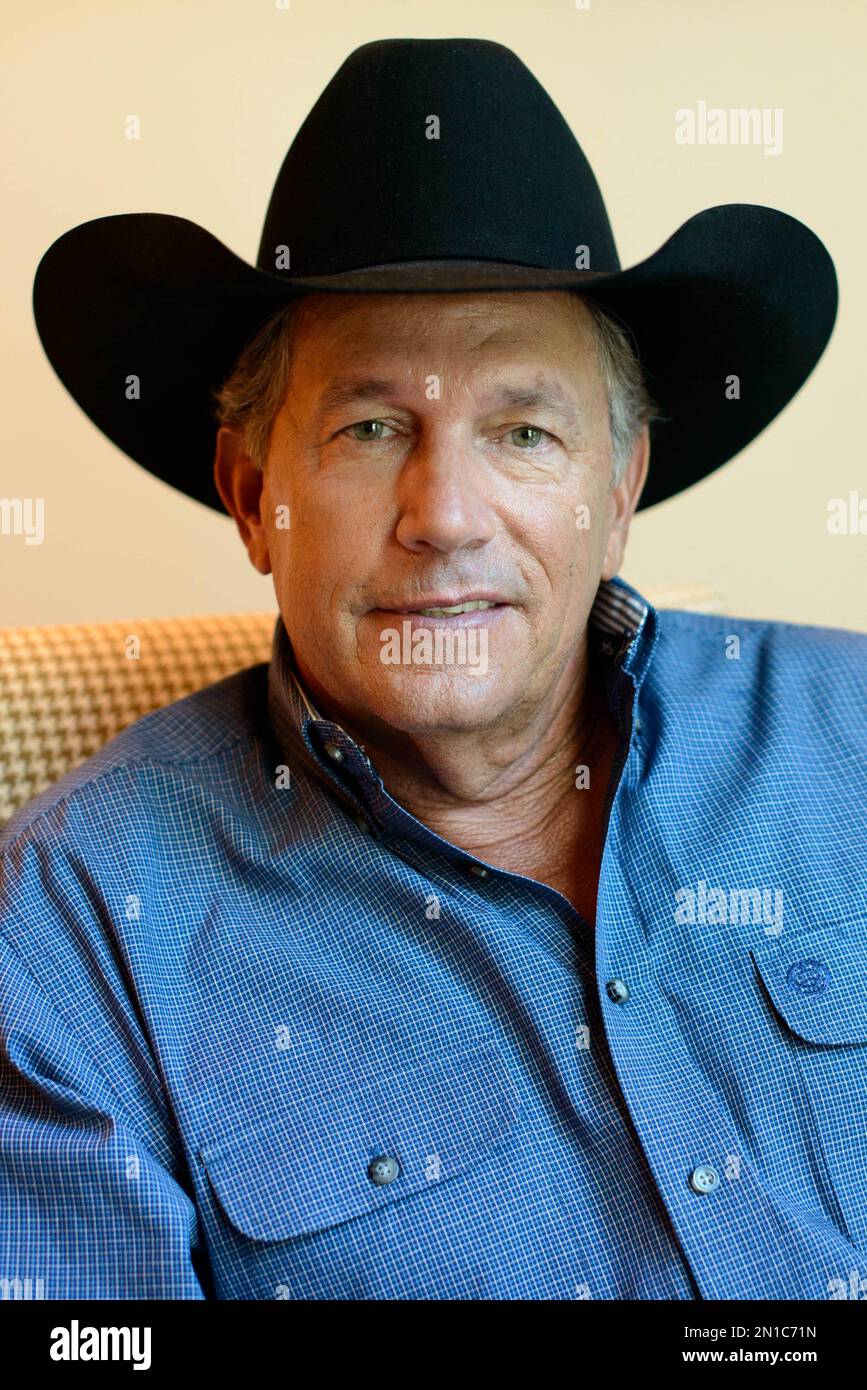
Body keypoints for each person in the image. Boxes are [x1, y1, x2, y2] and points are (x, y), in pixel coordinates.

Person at [2, 38, 864, 1301]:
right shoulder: (72, 934)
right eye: (370, 427)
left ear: (616, 492)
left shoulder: (849, 737)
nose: (446, 513)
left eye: (523, 430)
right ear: (253, 498)